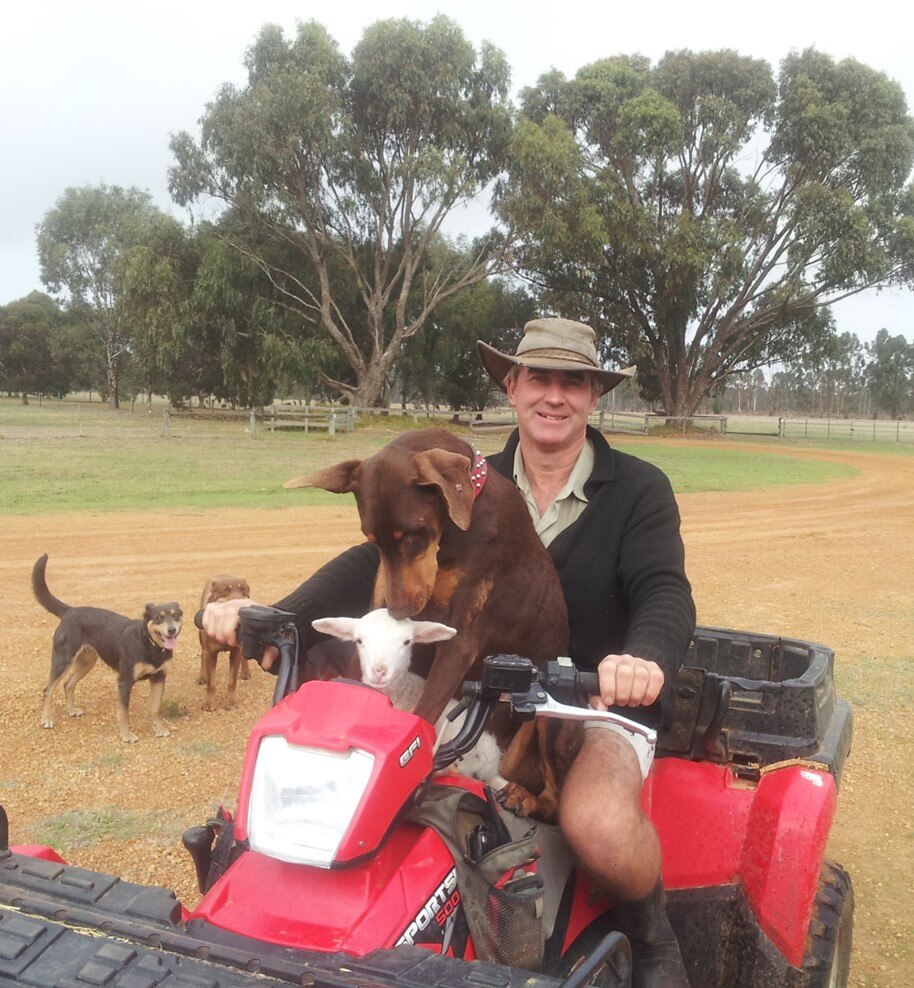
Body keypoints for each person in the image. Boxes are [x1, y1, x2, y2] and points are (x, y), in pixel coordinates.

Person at [202, 318, 695, 988]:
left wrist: (642, 657)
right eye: (537, 379)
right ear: (512, 387)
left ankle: (655, 939)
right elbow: (375, 553)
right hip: (468, 690)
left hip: (585, 701)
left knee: (600, 823)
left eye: (571, 382)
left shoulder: (637, 490)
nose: (553, 396)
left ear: (593, 396)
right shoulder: (459, 478)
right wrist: (272, 616)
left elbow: (663, 588)